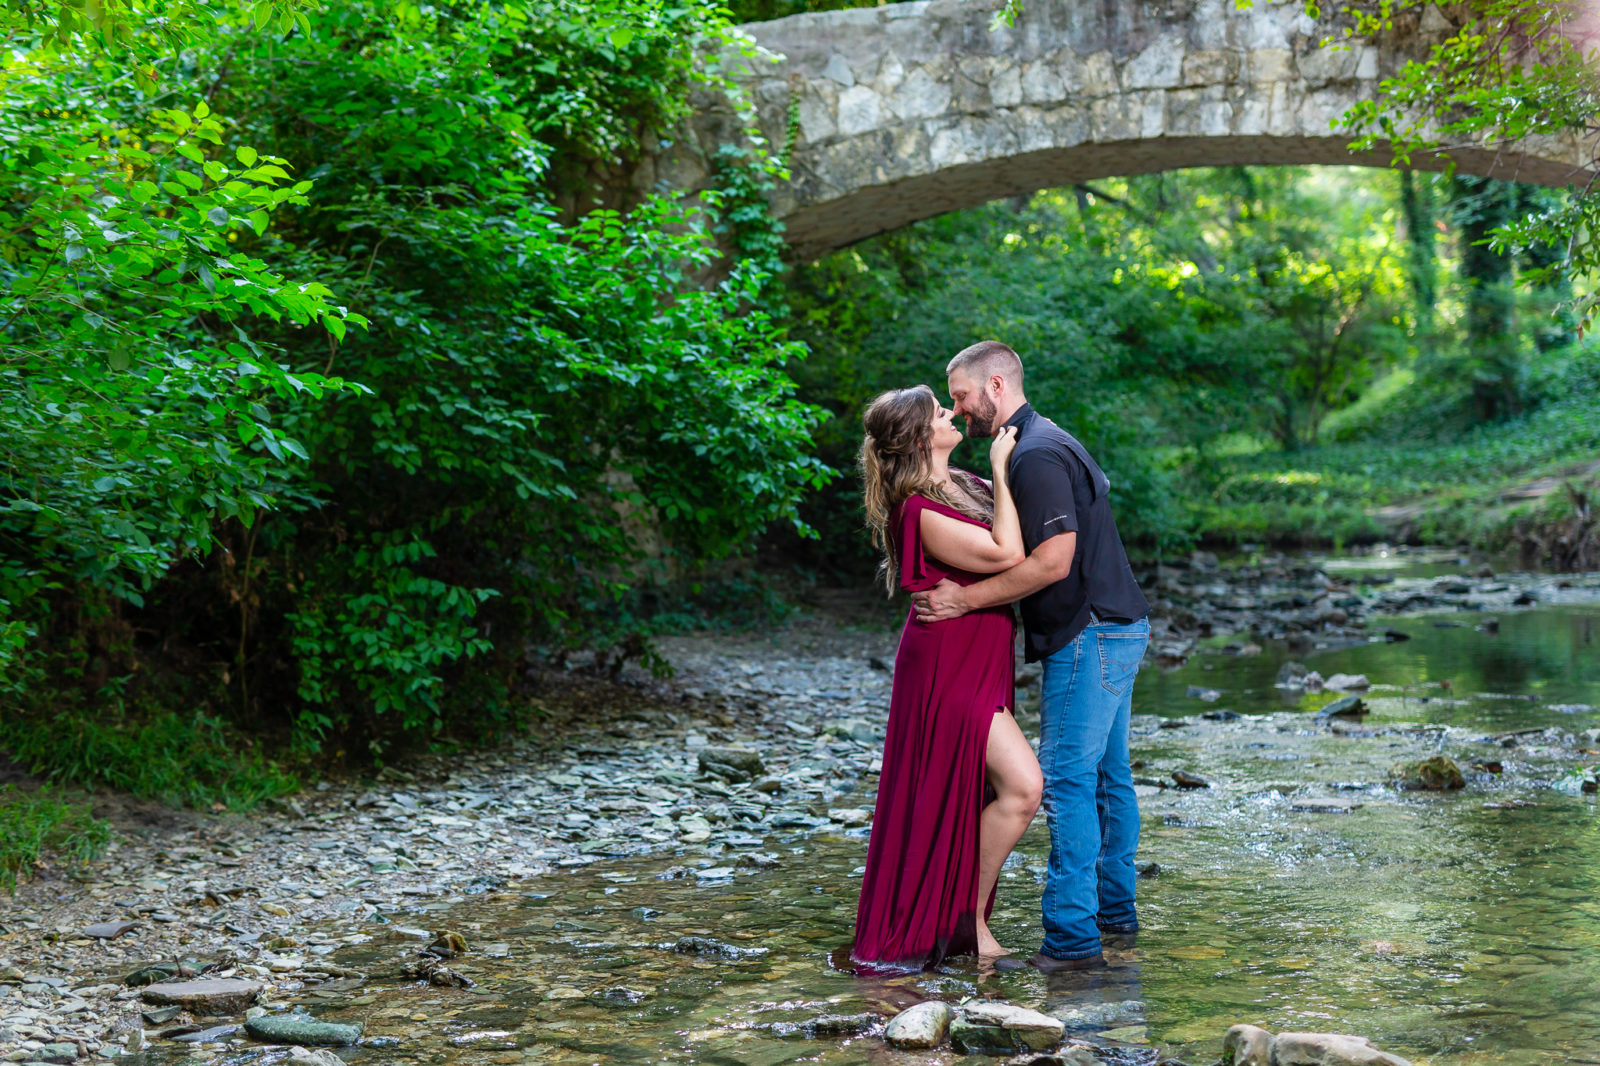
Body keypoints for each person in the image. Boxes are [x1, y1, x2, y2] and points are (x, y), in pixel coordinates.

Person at [912, 341, 1151, 973]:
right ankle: (1115, 918)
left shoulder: (1036, 454)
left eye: (961, 398)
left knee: (1070, 783)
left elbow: (1052, 561)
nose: (959, 412)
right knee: (1108, 780)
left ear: (995, 386)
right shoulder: (1042, 441)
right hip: (1119, 626)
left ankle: (1072, 941)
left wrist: (964, 602)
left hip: (1088, 632)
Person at [851, 384, 1044, 970]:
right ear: (917, 437)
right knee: (1023, 786)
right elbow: (1008, 553)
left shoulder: (963, 486)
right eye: (939, 411)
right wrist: (1002, 467)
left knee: (980, 793)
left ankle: (970, 923)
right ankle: (968, 921)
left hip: (980, 654)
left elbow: (1030, 542)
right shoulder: (918, 507)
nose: (951, 413)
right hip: (945, 664)